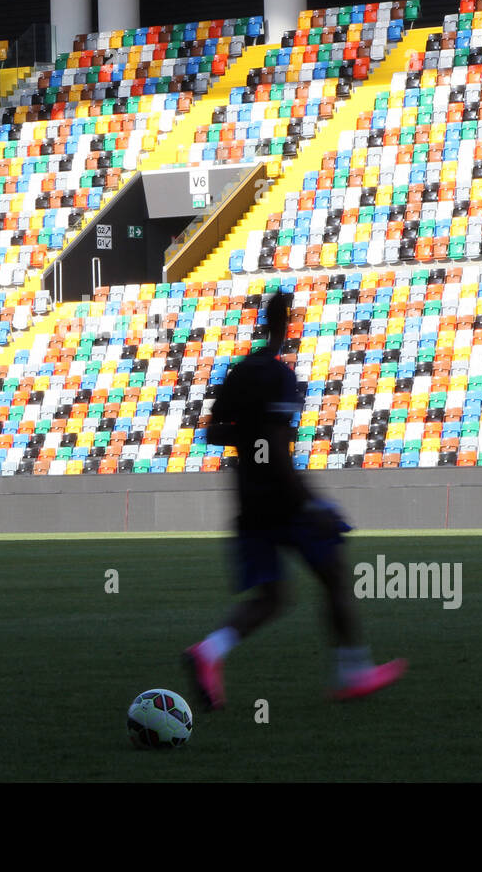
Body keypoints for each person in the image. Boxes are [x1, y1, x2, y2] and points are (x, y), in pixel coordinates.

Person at [183, 289, 406, 709]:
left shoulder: (238, 373)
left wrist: (247, 439)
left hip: (247, 500)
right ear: (289, 324)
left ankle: (208, 652)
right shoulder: (281, 378)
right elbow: (275, 447)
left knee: (271, 597)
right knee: (335, 574)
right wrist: (309, 505)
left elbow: (213, 432)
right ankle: (352, 671)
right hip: (282, 499)